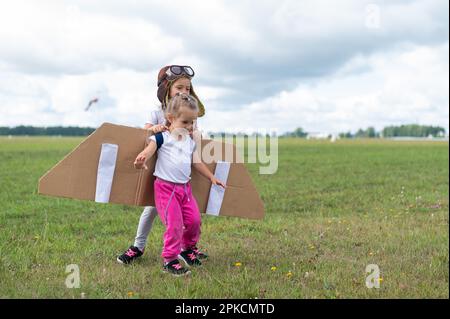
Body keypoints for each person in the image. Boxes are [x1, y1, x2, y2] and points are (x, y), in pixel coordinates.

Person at [117, 65, 208, 265]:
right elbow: (146, 131)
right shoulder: (157, 113)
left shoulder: (188, 112)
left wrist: (195, 134)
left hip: (180, 172)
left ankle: (187, 248)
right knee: (150, 211)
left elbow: (194, 135)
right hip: (158, 173)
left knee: (190, 215)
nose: (184, 92)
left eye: (188, 89)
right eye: (180, 88)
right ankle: (137, 247)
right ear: (167, 89)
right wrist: (155, 129)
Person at [134, 93, 226, 276]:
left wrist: (211, 177)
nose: (189, 127)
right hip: (166, 189)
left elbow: (196, 162)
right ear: (171, 118)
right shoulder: (161, 138)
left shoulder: (189, 141)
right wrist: (141, 159)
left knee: (194, 221)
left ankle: (187, 249)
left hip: (185, 189)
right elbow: (149, 150)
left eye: (192, 123)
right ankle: (169, 260)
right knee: (174, 225)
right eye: (185, 122)